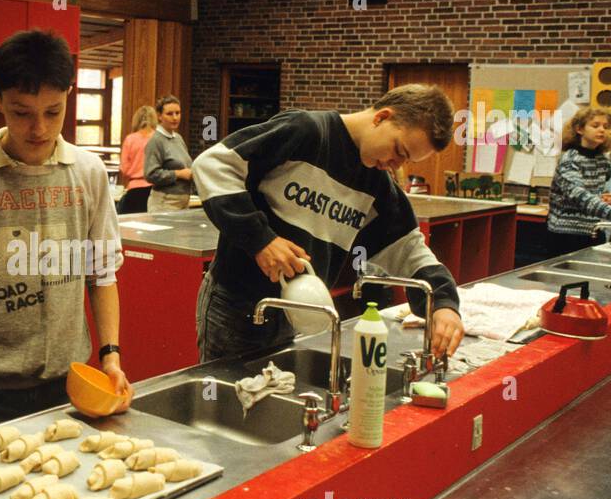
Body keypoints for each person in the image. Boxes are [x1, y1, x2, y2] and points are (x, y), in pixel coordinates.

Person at [0, 30, 129, 436]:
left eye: (53, 112)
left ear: (69, 96)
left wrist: (110, 356)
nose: (39, 128)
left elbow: (102, 274)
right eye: (22, 112)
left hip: (69, 382)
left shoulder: (88, 174)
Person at [193, 84, 466, 363]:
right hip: (236, 305)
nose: (394, 165)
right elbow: (213, 164)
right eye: (398, 150)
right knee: (223, 400)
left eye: (405, 160)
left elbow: (409, 250)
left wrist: (442, 304)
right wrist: (261, 240)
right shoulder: (307, 131)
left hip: (297, 311)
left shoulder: (378, 186)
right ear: (382, 117)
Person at [548, 107, 611, 255]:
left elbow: (596, 192)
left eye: (606, 127)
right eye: (595, 126)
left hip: (594, 231)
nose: (602, 130)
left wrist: (606, 199)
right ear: (579, 129)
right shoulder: (570, 159)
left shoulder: (603, 160)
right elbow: (579, 195)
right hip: (568, 235)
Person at [143, 94, 193, 211]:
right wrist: (178, 174)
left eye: (178, 113)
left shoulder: (178, 138)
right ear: (160, 116)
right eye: (170, 114)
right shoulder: (156, 141)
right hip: (165, 202)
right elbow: (150, 174)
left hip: (183, 200)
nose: (175, 118)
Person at [116, 104, 157, 213]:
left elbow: (124, 169)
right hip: (155, 189)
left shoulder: (130, 139)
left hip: (134, 189)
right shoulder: (158, 138)